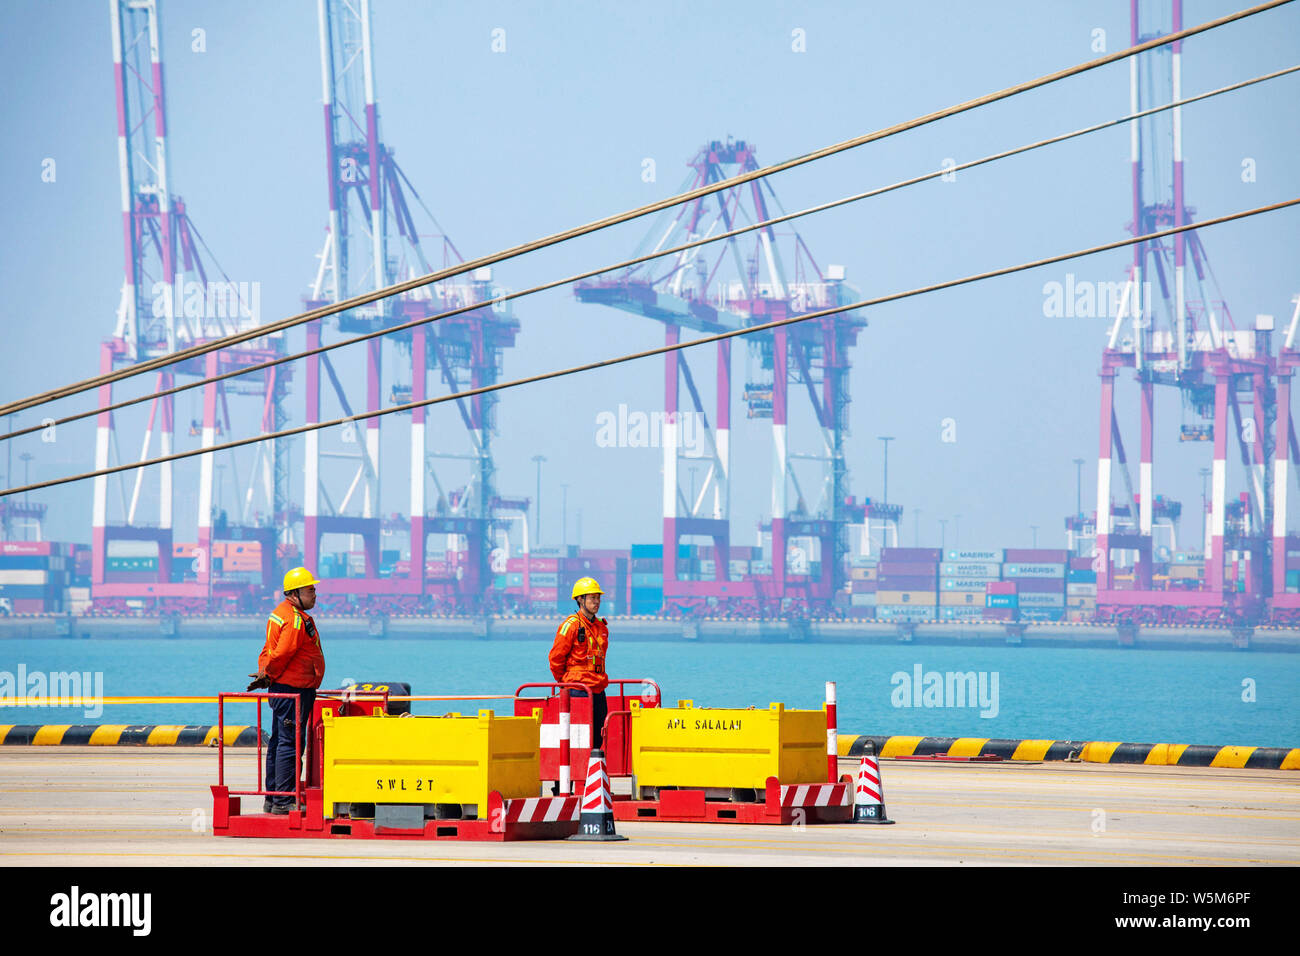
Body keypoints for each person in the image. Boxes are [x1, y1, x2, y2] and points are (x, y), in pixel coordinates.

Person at [247, 567, 325, 814]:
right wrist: (267, 674)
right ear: (294, 593)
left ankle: (273, 798)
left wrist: (265, 673)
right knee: (290, 744)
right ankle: (284, 801)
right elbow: (281, 654)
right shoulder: (294, 620)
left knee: (280, 742)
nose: (314, 594)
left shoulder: (280, 614)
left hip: (285, 689)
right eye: (310, 589)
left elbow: (267, 651)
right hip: (294, 692)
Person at [548, 576, 610, 751]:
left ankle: (591, 776)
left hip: (598, 689)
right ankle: (568, 777)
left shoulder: (602, 627)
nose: (596, 602)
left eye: (598, 598)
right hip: (577, 690)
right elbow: (555, 658)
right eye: (592, 598)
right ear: (580, 599)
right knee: (576, 738)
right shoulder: (571, 626)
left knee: (597, 739)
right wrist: (566, 682)